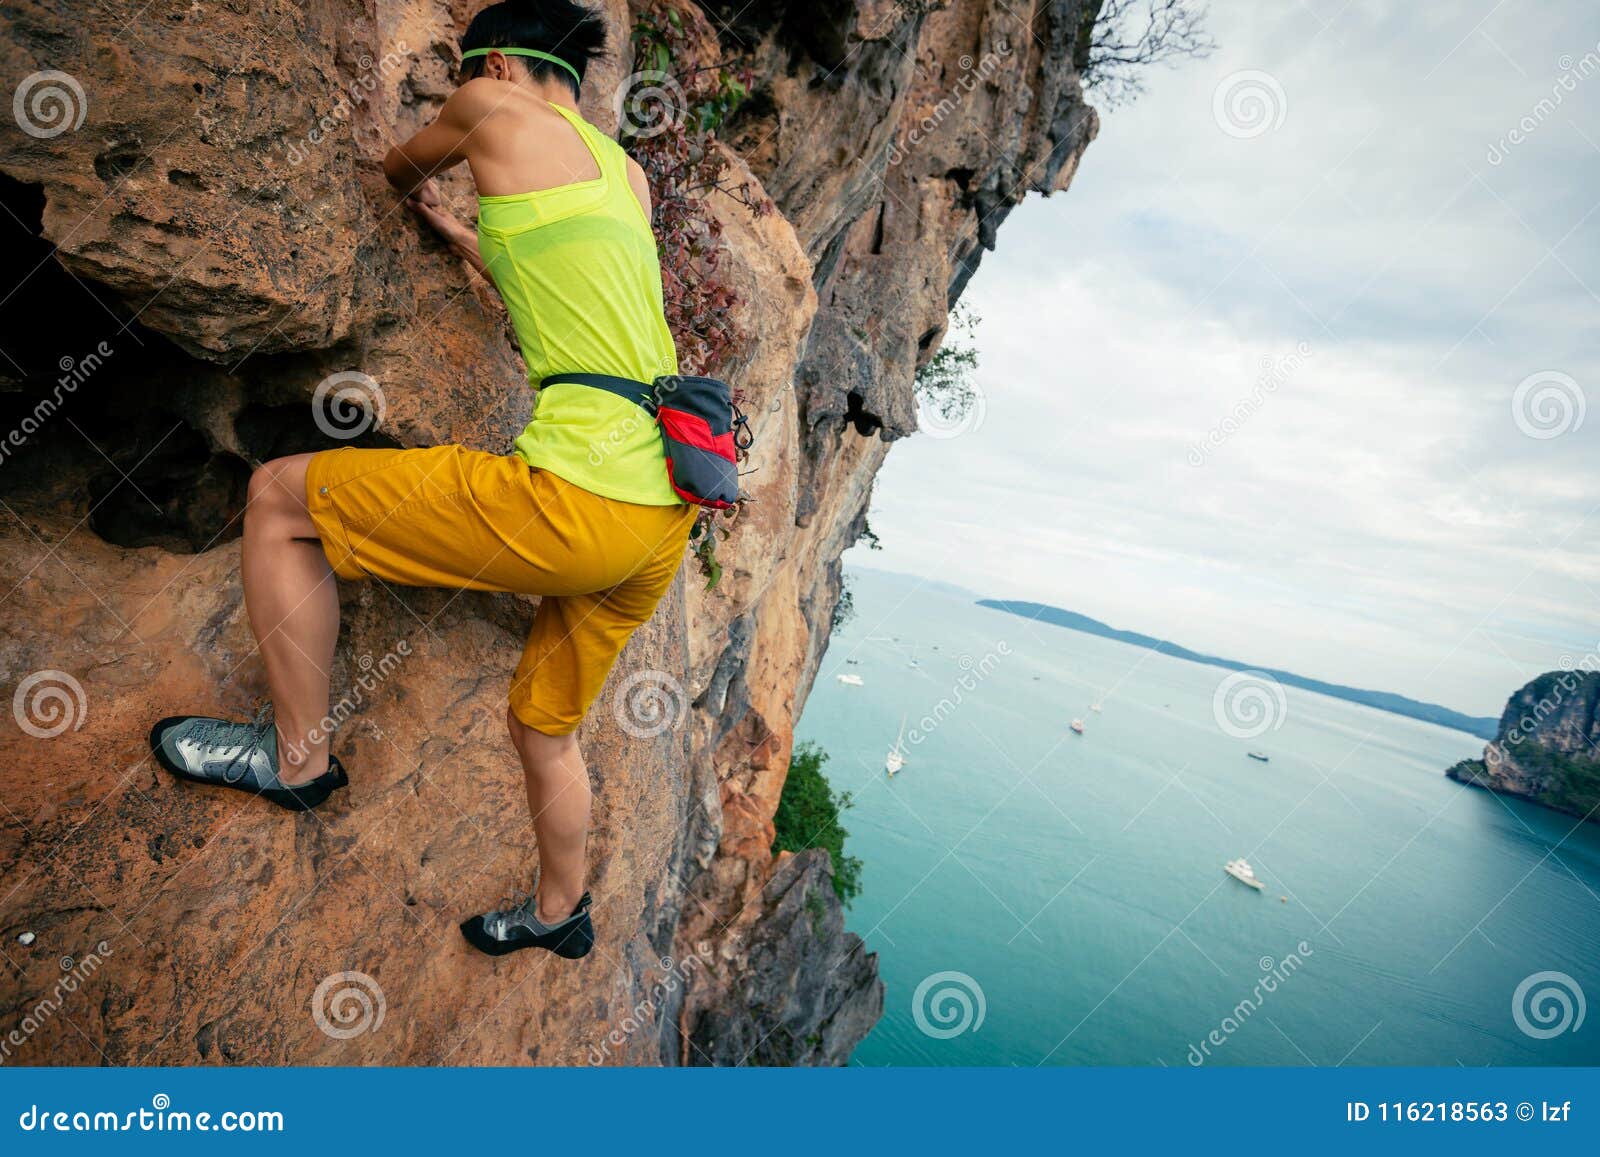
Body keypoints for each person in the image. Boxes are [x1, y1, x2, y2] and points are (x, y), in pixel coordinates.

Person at [149, 0, 695, 960]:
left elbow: (396, 171)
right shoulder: (631, 178)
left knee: (279, 496)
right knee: (544, 726)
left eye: (463, 70)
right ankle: (558, 916)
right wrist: (464, 238)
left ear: (494, 61)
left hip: (575, 499)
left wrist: (421, 190)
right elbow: (568, 288)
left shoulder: (486, 103)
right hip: (662, 515)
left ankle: (294, 760)